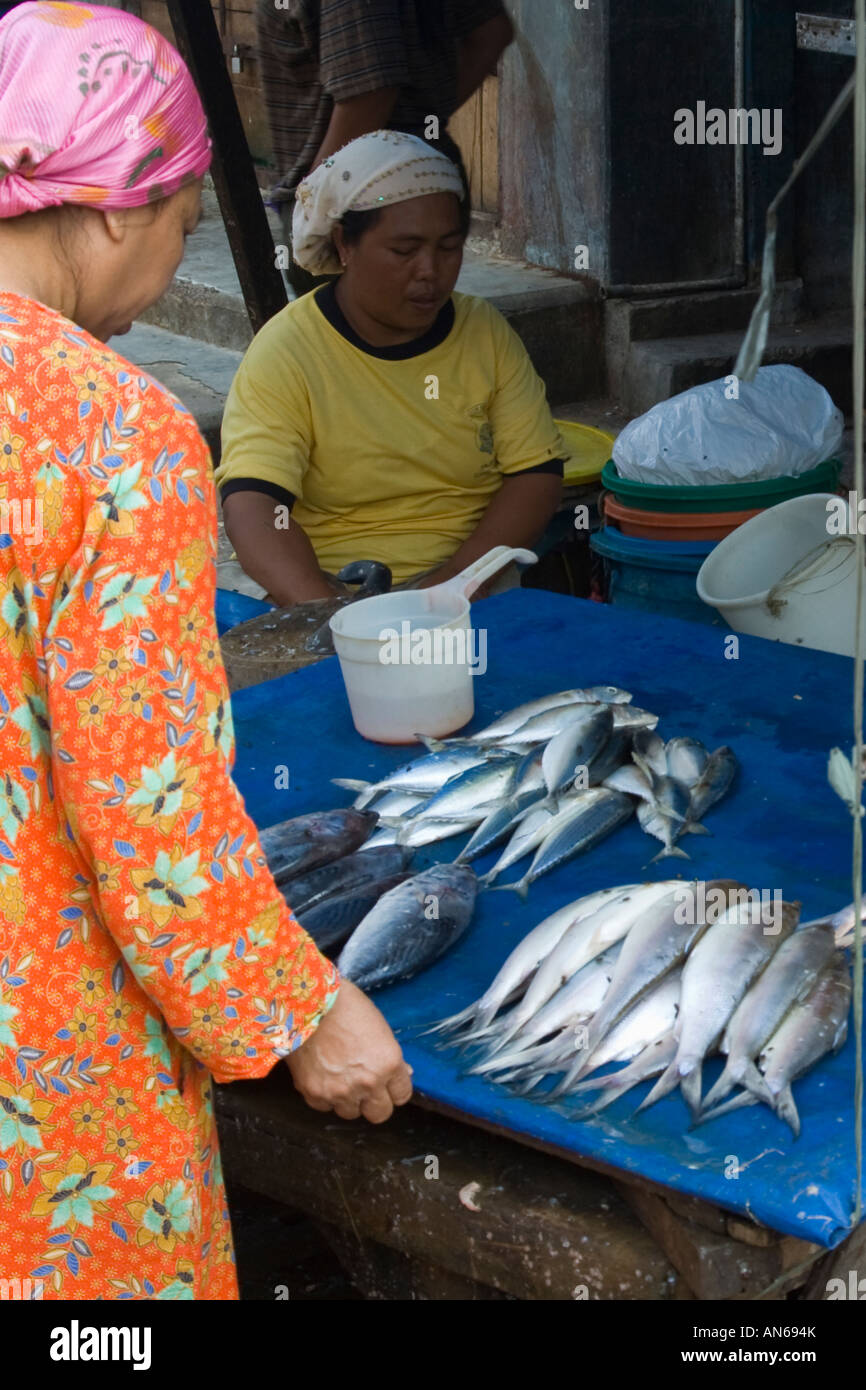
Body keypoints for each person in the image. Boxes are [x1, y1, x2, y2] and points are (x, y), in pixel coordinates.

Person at [0, 1, 411, 1302]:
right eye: (180, 220)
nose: (172, 253)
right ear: (116, 206)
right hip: (41, 1029)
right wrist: (302, 1009)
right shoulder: (108, 428)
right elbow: (147, 800)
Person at [217, 131, 566, 605]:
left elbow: (535, 475)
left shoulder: (484, 333)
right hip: (329, 584)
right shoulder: (288, 351)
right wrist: (329, 614)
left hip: (469, 585)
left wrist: (456, 582)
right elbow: (254, 505)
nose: (430, 270)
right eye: (405, 250)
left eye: (449, 247)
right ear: (345, 244)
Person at [255, 0, 514, 296]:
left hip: (359, 204)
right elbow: (492, 32)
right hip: (394, 194)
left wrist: (316, 204)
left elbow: (370, 93)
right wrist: (422, 123)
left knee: (355, 338)